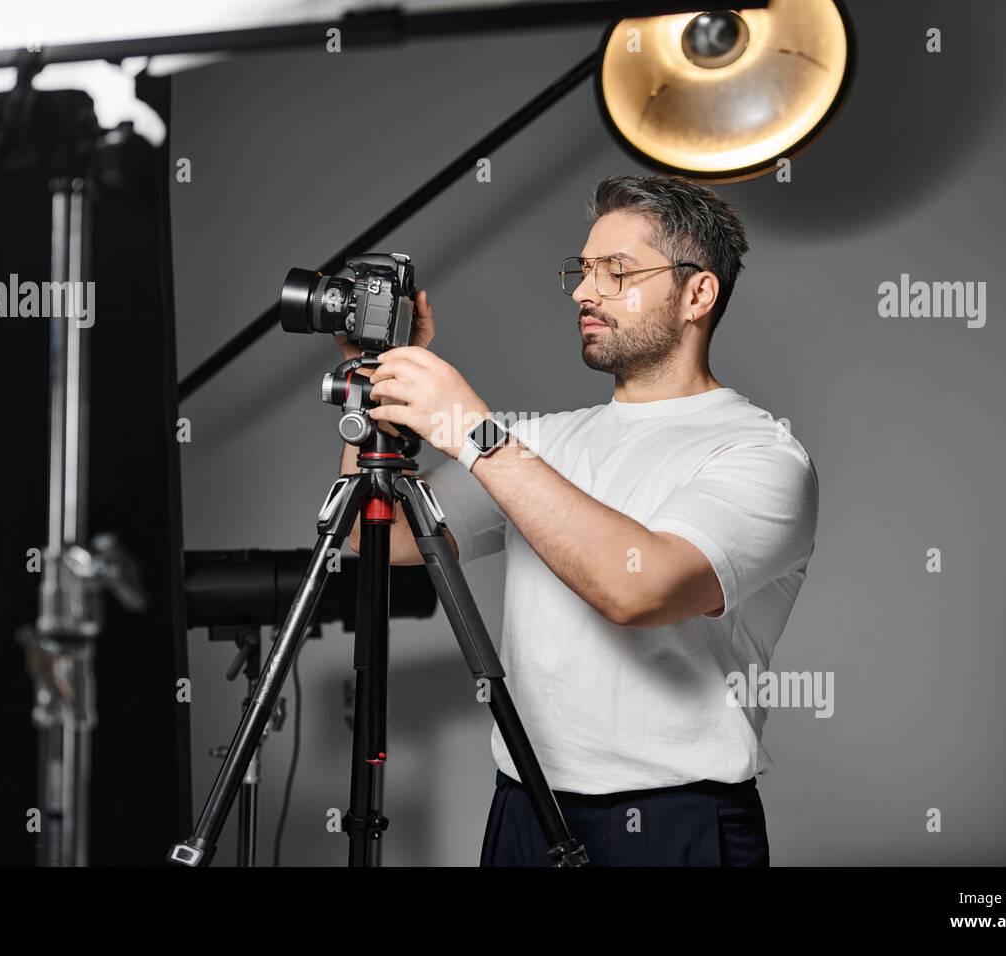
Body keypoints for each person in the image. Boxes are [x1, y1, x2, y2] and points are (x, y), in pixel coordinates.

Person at [336, 174, 818, 866]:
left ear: (697, 294)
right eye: (583, 270)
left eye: (616, 271)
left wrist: (474, 430)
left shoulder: (760, 455)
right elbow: (383, 535)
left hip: (675, 819)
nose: (583, 293)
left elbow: (639, 588)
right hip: (525, 807)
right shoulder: (546, 442)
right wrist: (372, 379)